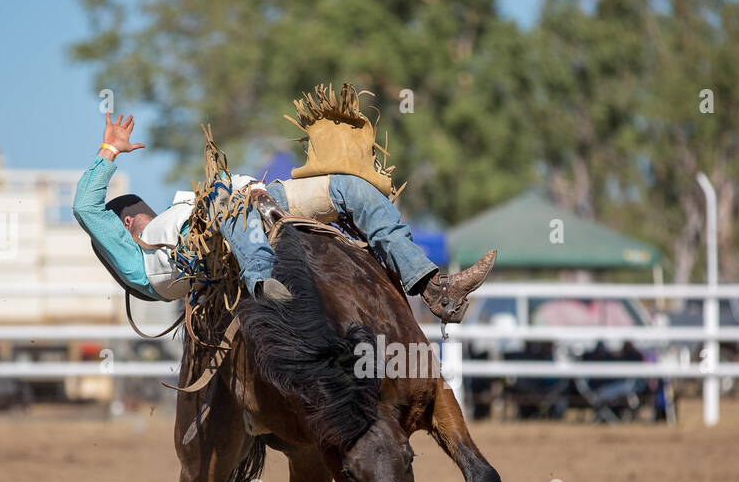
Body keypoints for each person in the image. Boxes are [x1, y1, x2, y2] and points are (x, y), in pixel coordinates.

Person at [73, 101, 496, 322]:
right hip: (218, 221)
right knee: (223, 197)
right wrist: (109, 150)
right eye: (146, 212)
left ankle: (435, 289)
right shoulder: (131, 250)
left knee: (348, 189)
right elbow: (84, 204)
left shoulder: (180, 212)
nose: (153, 211)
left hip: (252, 203)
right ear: (128, 222)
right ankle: (262, 281)